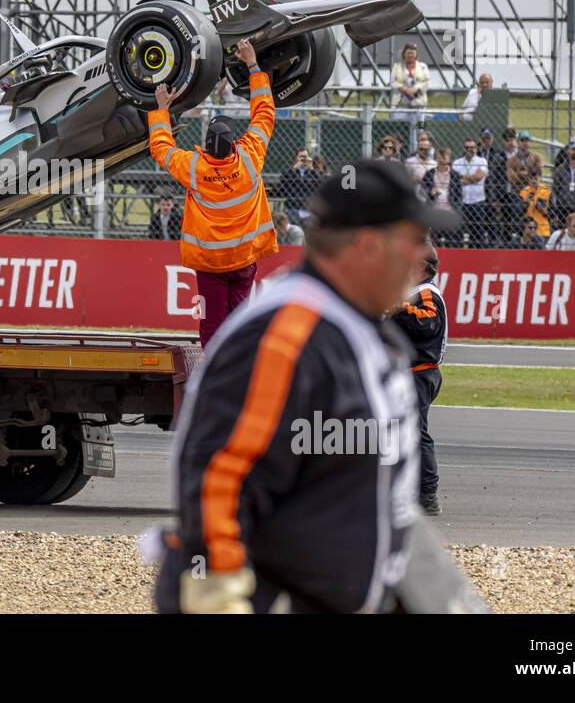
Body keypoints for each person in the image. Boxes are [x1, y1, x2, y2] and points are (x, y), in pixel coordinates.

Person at [155, 160, 477, 614]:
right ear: (367, 246)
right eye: (412, 243)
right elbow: (218, 479)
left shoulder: (363, 331)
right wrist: (218, 596)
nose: (420, 259)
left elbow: (383, 498)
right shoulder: (285, 334)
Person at [147, 39, 277, 346]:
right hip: (244, 260)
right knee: (239, 321)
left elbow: (161, 147)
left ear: (206, 146)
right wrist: (253, 66)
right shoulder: (249, 157)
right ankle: (238, 367)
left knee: (212, 325)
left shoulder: (194, 168)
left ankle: (214, 372)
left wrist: (161, 110)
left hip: (210, 266)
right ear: (234, 143)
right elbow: (264, 115)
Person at [387, 242, 447, 515]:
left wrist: (398, 307)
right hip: (410, 373)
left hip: (420, 374)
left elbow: (427, 323)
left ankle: (427, 495)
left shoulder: (426, 293)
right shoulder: (413, 292)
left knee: (415, 433)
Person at [452, 137, 489, 247]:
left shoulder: (482, 161)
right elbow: (454, 181)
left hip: (477, 202)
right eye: (467, 147)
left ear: (476, 148)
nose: (470, 149)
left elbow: (478, 177)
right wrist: (471, 179)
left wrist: (462, 178)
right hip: (461, 202)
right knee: (458, 232)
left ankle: (477, 258)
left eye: (472, 147)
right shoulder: (456, 163)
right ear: (463, 148)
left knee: (477, 233)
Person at [421, 147, 461, 246]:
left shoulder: (455, 175)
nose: (442, 159)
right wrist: (431, 192)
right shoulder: (429, 173)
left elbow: (459, 195)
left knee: (452, 242)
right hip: (434, 212)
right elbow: (423, 189)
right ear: (436, 158)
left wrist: (456, 209)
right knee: (434, 243)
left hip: (450, 212)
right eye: (439, 156)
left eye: (444, 156)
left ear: (449, 159)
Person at [278, 148, 323, 225]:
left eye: (305, 156)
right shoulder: (290, 170)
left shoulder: (313, 172)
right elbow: (282, 180)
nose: (303, 159)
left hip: (308, 209)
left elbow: (320, 184)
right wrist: (295, 167)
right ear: (296, 158)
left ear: (309, 158)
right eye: (301, 156)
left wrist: (311, 169)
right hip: (292, 208)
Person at [391, 43, 427, 121]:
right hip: (400, 104)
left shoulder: (423, 67)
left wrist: (415, 90)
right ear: (404, 54)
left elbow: (426, 82)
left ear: (416, 54)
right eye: (408, 53)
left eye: (412, 53)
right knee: (399, 127)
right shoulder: (396, 66)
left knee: (418, 127)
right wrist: (406, 90)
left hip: (418, 103)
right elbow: (393, 82)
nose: (410, 55)